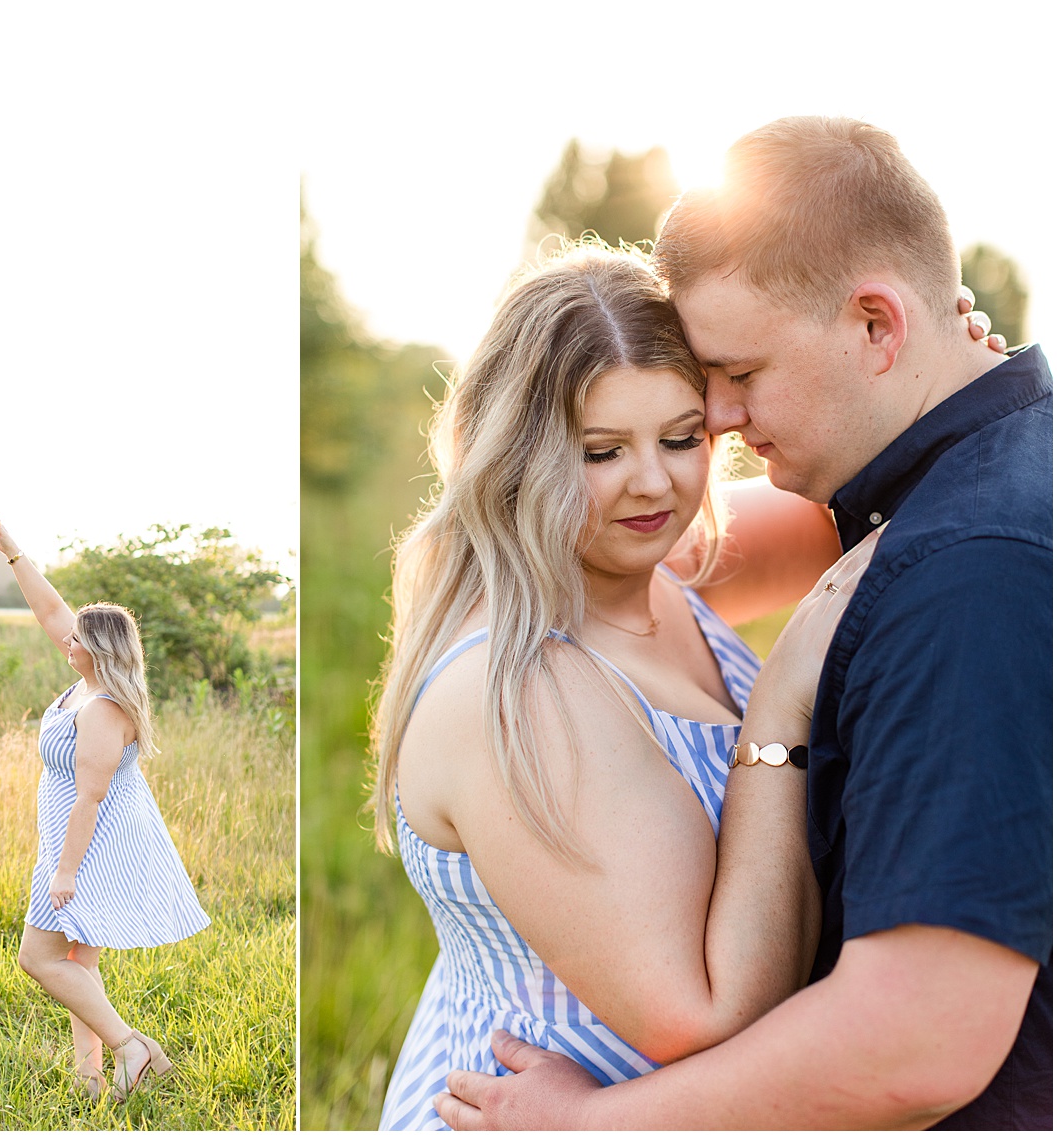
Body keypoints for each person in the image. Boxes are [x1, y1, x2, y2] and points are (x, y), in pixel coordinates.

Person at [437, 117, 1050, 1130]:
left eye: (741, 376)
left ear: (877, 326)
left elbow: (922, 1035)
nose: (719, 417)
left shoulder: (965, 571)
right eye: (604, 447)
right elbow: (624, 552)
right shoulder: (952, 482)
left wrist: (594, 1124)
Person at [371, 238, 886, 1130]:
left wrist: (954, 370)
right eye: (601, 451)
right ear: (515, 455)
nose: (654, 482)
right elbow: (706, 1017)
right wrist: (780, 707)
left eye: (682, 437)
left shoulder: (649, 566)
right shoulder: (521, 689)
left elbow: (871, 496)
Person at [0, 517, 210, 1102]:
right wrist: (10, 549)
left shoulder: (104, 707)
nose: (67, 641)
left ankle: (131, 1047)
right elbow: (51, 612)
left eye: (78, 639)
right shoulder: (85, 683)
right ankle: (92, 1077)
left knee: (39, 958)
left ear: (99, 651)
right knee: (78, 961)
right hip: (74, 841)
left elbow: (91, 796)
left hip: (92, 848)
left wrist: (64, 871)